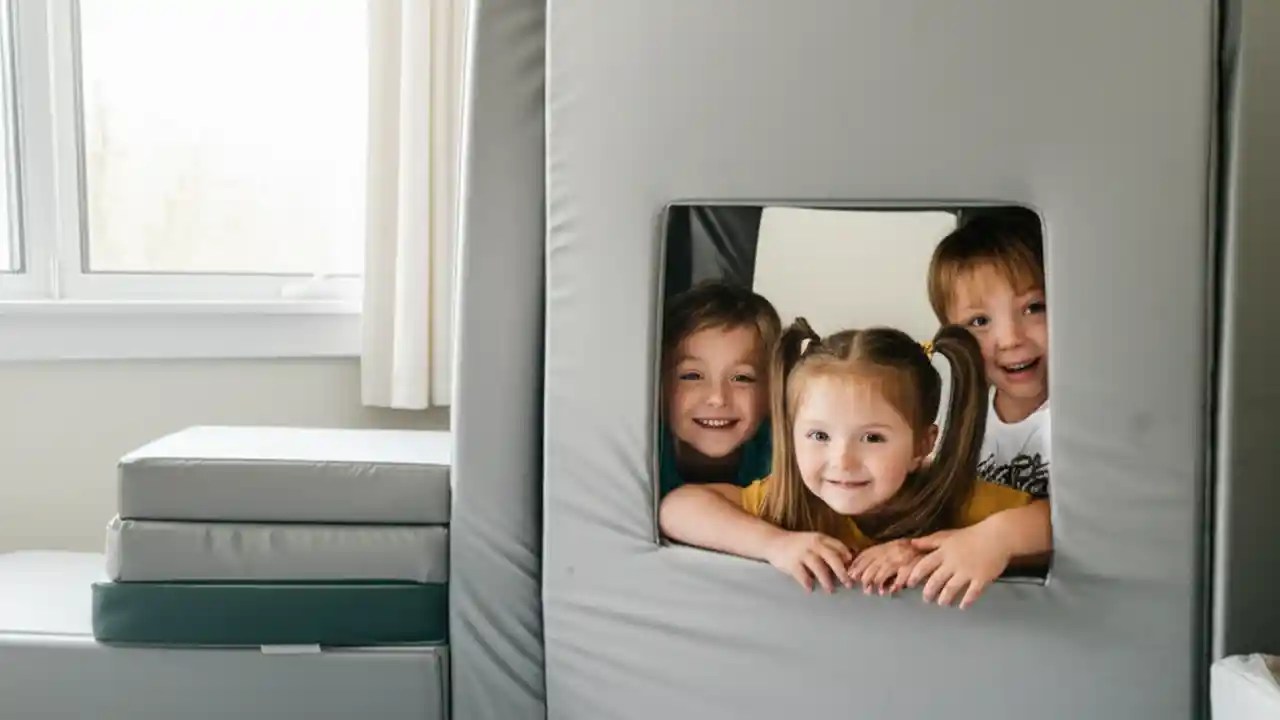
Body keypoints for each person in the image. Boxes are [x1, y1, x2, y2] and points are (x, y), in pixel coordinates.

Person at [659, 318, 1051, 609]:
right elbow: (678, 509)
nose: (841, 461)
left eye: (872, 438)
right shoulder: (789, 500)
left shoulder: (951, 498)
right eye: (819, 436)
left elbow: (1059, 525)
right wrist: (774, 544)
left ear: (921, 445)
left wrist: (983, 541)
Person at [927, 213, 1049, 498]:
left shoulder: (1080, 418)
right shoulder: (958, 413)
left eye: (1034, 308)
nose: (1010, 340)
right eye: (980, 321)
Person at [658, 280, 781, 497]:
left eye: (742, 378)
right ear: (658, 388)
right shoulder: (639, 455)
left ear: (771, 391)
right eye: (692, 376)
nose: (717, 397)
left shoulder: (782, 454)